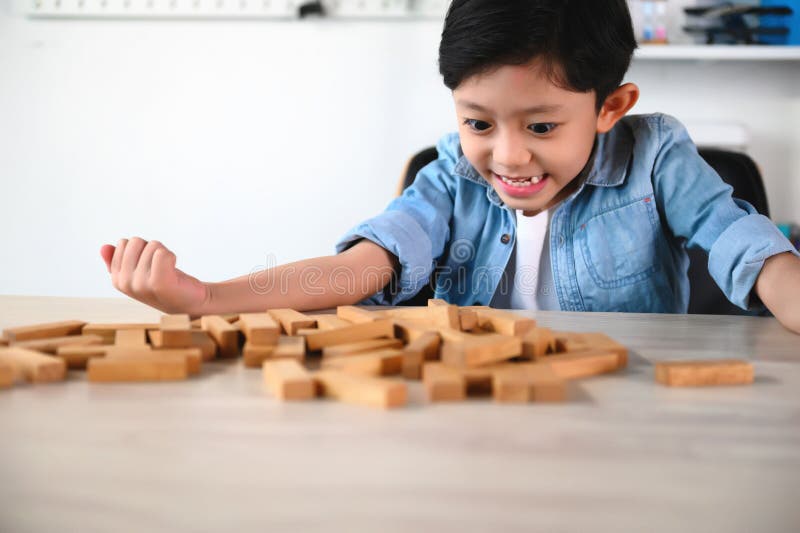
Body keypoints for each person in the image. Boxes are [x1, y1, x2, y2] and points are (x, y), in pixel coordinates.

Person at [99, 0, 800, 334]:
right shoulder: (450, 178)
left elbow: (754, 251)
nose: (508, 155)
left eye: (543, 126)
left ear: (611, 107)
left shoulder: (656, 158)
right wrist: (206, 297)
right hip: (480, 416)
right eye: (478, 123)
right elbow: (362, 267)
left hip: (628, 414)